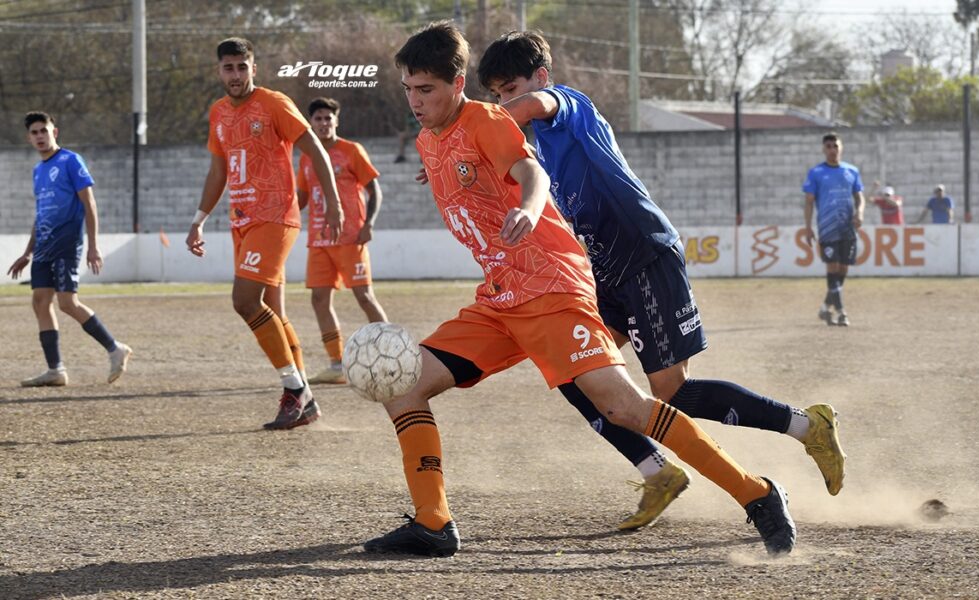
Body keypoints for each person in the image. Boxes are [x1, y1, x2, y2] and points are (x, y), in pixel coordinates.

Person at [363, 21, 796, 559]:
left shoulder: (489, 119)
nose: (414, 100)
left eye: (425, 88)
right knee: (402, 387)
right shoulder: (431, 140)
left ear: (456, 84)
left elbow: (529, 171)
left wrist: (525, 205)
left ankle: (757, 494)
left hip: (550, 286)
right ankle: (433, 524)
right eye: (407, 88)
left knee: (625, 407)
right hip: (499, 298)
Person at [475, 30, 845, 528]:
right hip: (606, 272)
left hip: (646, 253)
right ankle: (657, 472)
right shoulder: (532, 146)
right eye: (496, 94)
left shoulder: (568, 104)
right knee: (573, 372)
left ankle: (807, 425)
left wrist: (473, 128)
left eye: (510, 88)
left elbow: (532, 106)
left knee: (669, 392)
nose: (504, 101)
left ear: (540, 76)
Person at [186, 38, 343, 430]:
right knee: (274, 311)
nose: (235, 74)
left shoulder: (274, 103)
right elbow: (218, 171)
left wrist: (335, 202)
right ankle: (304, 401)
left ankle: (294, 389)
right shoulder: (218, 113)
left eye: (242, 66)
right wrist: (199, 218)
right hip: (242, 222)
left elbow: (315, 150)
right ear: (219, 71)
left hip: (275, 218)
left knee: (244, 300)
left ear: (254, 68)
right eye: (229, 68)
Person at [7, 112, 132, 387]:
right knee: (40, 301)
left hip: (66, 244)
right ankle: (55, 370)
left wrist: (93, 245)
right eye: (35, 133)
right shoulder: (37, 171)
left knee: (66, 303)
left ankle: (115, 348)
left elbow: (90, 203)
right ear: (29, 138)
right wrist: (28, 251)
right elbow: (41, 215)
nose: (40, 136)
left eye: (44, 130)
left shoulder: (70, 161)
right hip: (43, 248)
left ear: (55, 131)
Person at [297, 97, 388, 384]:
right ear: (310, 122)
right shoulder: (306, 156)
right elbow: (301, 197)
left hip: (350, 238)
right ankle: (337, 365)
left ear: (336, 121)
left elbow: (375, 190)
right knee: (319, 299)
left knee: (364, 296)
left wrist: (369, 224)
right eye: (318, 119)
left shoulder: (351, 151)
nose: (323, 123)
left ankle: (392, 352)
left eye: (328, 118)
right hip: (319, 240)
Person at [803, 132, 865, 327]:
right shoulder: (816, 173)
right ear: (823, 149)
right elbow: (809, 202)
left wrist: (860, 213)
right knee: (832, 267)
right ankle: (840, 311)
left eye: (835, 146)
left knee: (843, 269)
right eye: (828, 146)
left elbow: (860, 197)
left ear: (841, 147)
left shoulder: (851, 171)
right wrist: (808, 227)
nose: (832, 150)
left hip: (847, 227)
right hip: (827, 228)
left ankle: (825, 308)